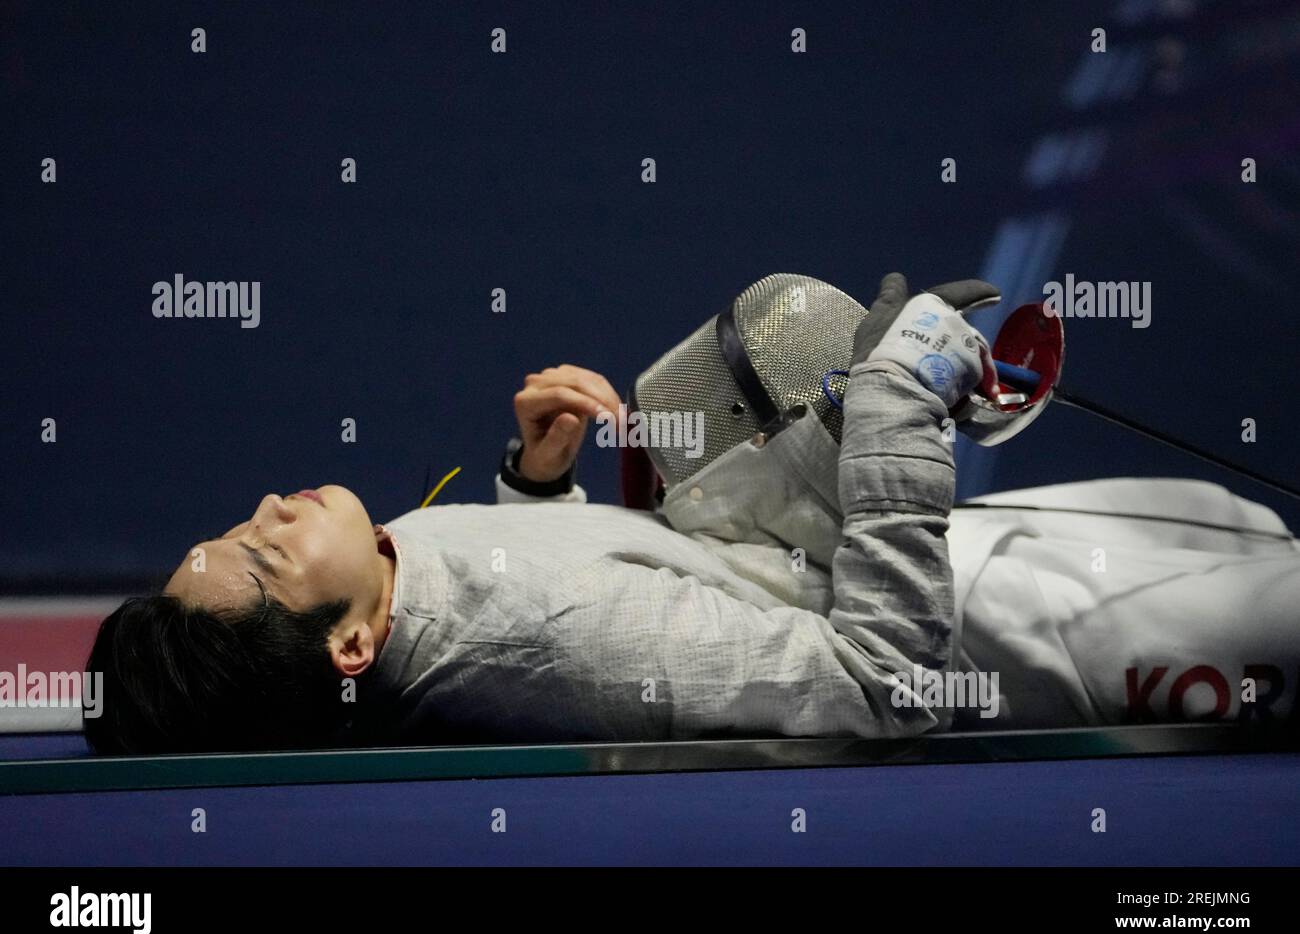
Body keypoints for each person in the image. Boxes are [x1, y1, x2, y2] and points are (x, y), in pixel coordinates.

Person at [85, 273, 1300, 753]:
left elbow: (569, 582)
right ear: (349, 643)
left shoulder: (407, 596)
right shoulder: (546, 638)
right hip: (1062, 637)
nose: (263, 508)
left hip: (1025, 556)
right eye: (261, 552)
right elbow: (882, 682)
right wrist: (892, 398)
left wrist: (533, 489)